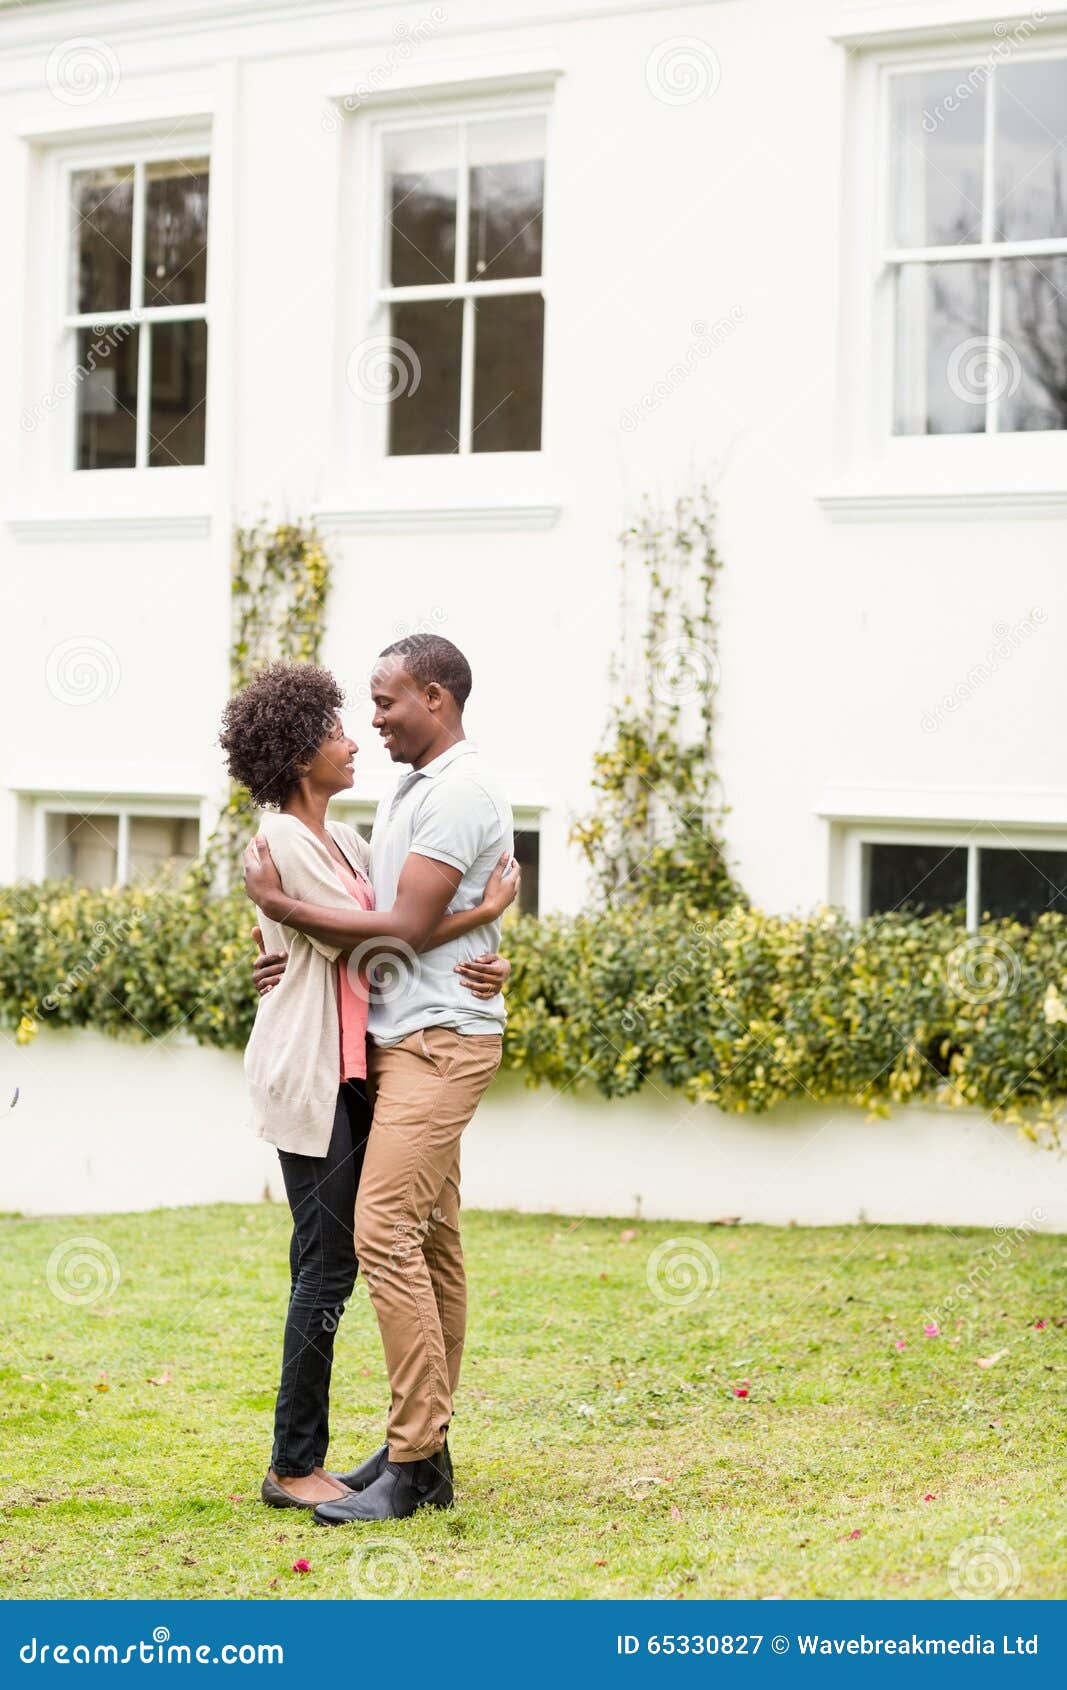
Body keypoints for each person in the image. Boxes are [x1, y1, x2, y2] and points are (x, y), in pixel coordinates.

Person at [219, 660, 517, 1512]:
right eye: (341, 726)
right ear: (298, 750)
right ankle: (294, 1464)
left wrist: (473, 937)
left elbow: (394, 925)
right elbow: (368, 943)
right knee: (329, 1261)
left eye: (373, 710)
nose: (359, 734)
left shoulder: (346, 838)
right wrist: (475, 919)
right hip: (311, 1068)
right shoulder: (279, 842)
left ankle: (410, 1454)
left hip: (365, 1061)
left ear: (437, 697)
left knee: (376, 1248)